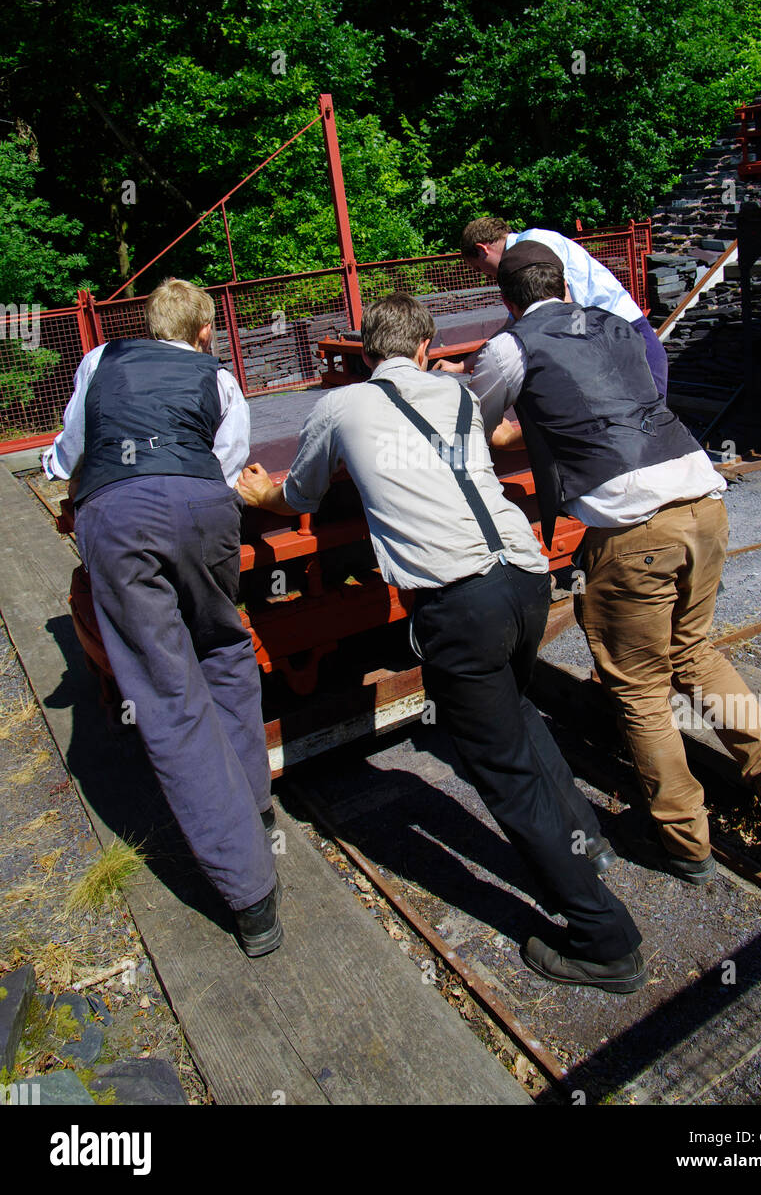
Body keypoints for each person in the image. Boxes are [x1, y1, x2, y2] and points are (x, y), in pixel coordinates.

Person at [237, 291, 646, 991]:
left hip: (460, 602)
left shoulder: (338, 406)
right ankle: (586, 841)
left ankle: (603, 938)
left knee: (502, 772)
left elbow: (301, 496)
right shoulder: (460, 396)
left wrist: (258, 497)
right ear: (428, 349)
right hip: (521, 576)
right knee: (516, 711)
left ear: (366, 355)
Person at [467, 241, 761, 879]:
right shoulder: (616, 324)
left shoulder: (512, 345)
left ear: (507, 298)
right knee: (694, 653)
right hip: (703, 498)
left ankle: (683, 841)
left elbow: (474, 417)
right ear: (562, 279)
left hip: (636, 527)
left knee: (638, 687)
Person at [42, 278, 281, 956]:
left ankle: (250, 894)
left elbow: (72, 450)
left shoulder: (101, 361)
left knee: (167, 694)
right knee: (224, 645)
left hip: (118, 517)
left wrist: (62, 472)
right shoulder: (220, 379)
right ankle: (255, 806)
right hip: (203, 511)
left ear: (147, 324)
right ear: (205, 331)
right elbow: (224, 462)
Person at [440, 216, 667, 396]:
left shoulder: (533, 246)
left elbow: (563, 304)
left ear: (482, 249)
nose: (487, 276)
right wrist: (464, 364)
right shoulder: (524, 264)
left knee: (650, 430)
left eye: (480, 268)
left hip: (629, 340)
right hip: (610, 342)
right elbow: (514, 327)